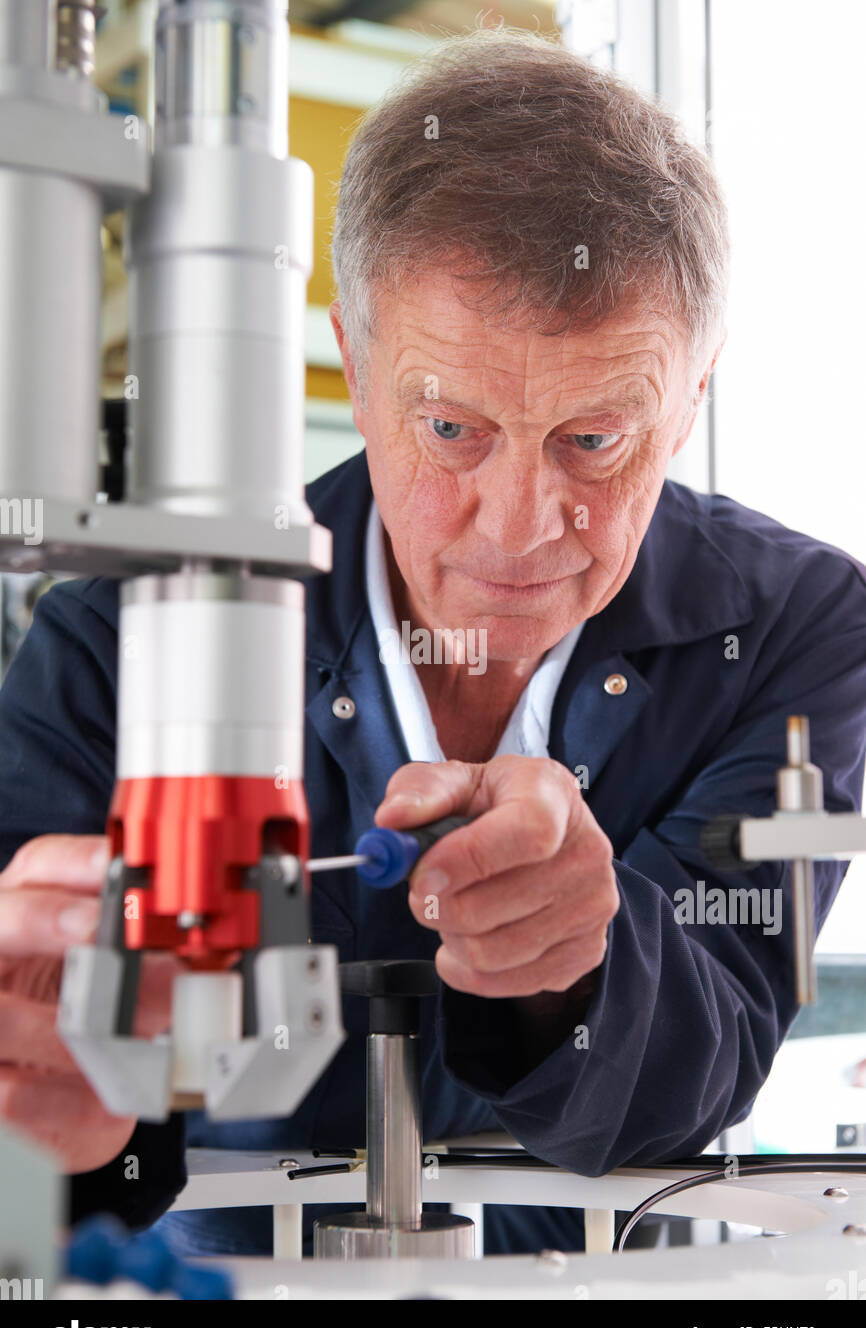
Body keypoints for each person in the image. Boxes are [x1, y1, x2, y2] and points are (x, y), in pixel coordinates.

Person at [1, 30, 865, 1257]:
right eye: (452, 427)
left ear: (690, 402)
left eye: (594, 440)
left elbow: (703, 1062)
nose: (518, 530)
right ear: (354, 370)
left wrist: (576, 967)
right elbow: (43, 1177)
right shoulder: (119, 633)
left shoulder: (796, 625)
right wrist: (68, 1118)